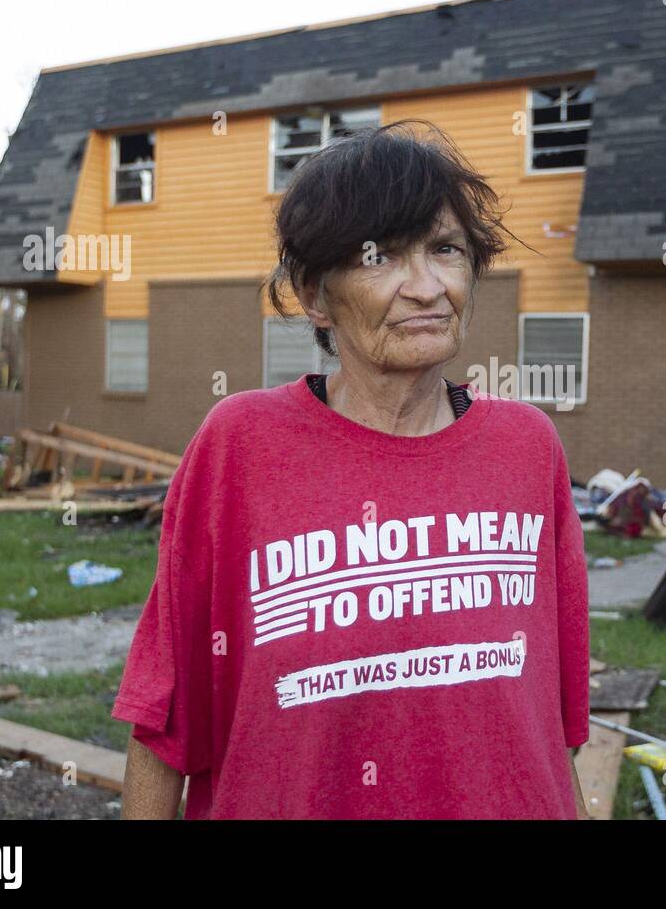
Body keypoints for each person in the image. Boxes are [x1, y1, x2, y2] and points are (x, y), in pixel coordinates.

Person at [111, 120, 591, 819]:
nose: (425, 286)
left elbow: (555, 725)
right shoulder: (239, 446)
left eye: (446, 250)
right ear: (313, 295)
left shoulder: (528, 448)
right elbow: (164, 723)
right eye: (382, 257)